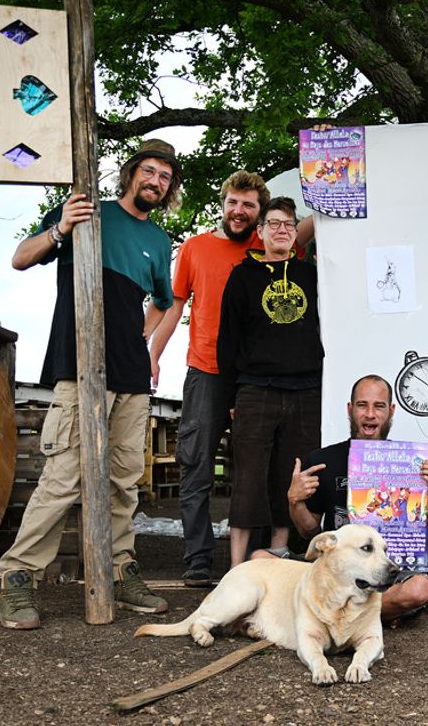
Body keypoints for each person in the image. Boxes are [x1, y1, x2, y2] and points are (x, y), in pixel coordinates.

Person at [0, 138, 179, 629]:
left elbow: (164, 302)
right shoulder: (87, 211)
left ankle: (121, 572)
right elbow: (20, 257)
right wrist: (60, 228)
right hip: (79, 366)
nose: (156, 181)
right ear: (131, 173)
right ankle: (16, 577)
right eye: (149, 171)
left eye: (164, 177)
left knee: (123, 482)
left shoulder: (159, 241)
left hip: (131, 377)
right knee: (63, 478)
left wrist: (141, 341)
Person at [145, 171, 270, 587]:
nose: (239, 211)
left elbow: (306, 229)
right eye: (233, 202)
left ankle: (256, 557)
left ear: (260, 211)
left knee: (255, 467)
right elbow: (173, 305)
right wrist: (153, 355)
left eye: (248, 205)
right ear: (223, 204)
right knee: (195, 465)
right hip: (206, 371)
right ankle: (198, 558)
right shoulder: (195, 248)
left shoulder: (268, 245)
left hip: (254, 375)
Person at [259, 374, 428, 622]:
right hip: (332, 568)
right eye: (362, 405)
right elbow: (308, 532)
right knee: (259, 559)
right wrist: (295, 502)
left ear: (391, 411)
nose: (370, 414)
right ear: (350, 409)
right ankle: (369, 615)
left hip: (387, 569)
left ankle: (327, 613)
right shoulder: (323, 460)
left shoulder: (410, 463)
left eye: (379, 406)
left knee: (418, 589)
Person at [217, 196, 323, 568]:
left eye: (289, 224)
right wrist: (231, 397)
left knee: (289, 474)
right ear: (260, 231)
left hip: (305, 390)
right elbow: (227, 341)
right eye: (274, 223)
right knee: (248, 477)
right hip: (255, 388)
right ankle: (235, 565)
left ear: (296, 233)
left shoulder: (311, 275)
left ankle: (277, 557)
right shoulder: (242, 276)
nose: (282, 230)